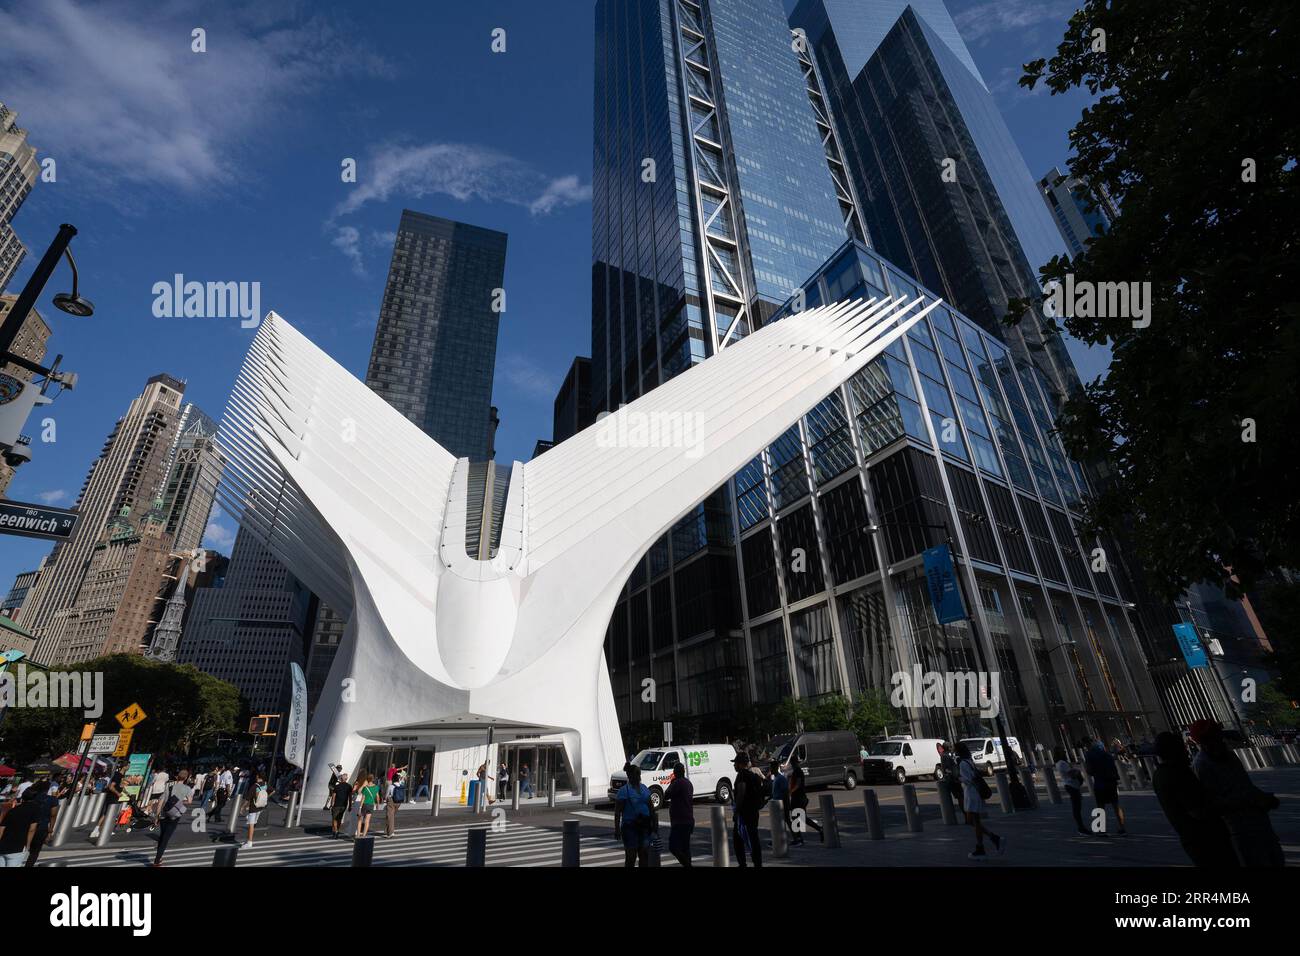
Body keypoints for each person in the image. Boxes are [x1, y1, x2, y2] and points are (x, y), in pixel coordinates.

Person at [1189, 720, 1284, 867]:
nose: (1220, 742)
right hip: (1238, 828)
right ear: (1203, 742)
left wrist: (1261, 797)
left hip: (1259, 821)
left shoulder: (1230, 757)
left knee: (1275, 859)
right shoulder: (1202, 765)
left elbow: (1245, 784)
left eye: (1219, 737)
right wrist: (1248, 800)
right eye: (1213, 738)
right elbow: (1211, 803)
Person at [1150, 731, 1237, 867]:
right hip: (1208, 838)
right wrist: (1231, 804)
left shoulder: (1159, 774)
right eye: (1183, 748)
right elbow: (1198, 811)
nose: (1186, 751)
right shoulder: (1178, 773)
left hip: (1191, 838)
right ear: (1177, 750)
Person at [956, 742, 1004, 859]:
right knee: (972, 820)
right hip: (974, 793)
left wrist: (959, 778)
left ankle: (982, 846)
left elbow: (968, 779)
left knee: (974, 821)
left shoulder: (963, 763)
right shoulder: (969, 761)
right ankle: (992, 838)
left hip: (971, 794)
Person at [613, 765, 655, 867]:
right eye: (636, 773)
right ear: (629, 775)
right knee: (631, 856)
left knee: (644, 855)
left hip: (644, 827)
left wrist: (654, 826)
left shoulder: (644, 788)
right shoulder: (624, 791)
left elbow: (651, 808)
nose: (638, 776)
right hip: (630, 828)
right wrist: (617, 829)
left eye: (639, 773)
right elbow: (617, 812)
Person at [1083, 737, 1126, 835]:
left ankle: (1101, 830)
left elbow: (1089, 771)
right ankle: (1122, 828)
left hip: (1100, 782)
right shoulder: (1106, 753)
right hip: (1111, 780)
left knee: (1100, 806)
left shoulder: (1089, 754)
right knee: (1116, 805)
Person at [731, 752, 767, 867]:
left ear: (741, 764)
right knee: (753, 839)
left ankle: (743, 864)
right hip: (753, 812)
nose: (734, 765)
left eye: (735, 763)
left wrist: (736, 812)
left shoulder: (742, 775)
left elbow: (741, 793)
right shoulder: (753, 775)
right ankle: (758, 863)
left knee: (738, 840)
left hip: (744, 814)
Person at [152, 770, 193, 867]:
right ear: (186, 778)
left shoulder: (169, 787)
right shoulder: (187, 788)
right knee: (166, 838)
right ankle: (157, 860)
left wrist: (157, 815)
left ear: (177, 777)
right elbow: (190, 801)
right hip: (175, 814)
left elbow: (161, 801)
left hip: (164, 813)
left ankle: (159, 857)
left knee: (162, 836)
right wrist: (179, 803)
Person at [0, 786, 42, 866]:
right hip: (18, 846)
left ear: (22, 798)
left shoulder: (13, 810)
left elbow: (2, 828)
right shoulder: (36, 809)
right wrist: (28, 845)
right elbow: (32, 829)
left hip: (3, 845)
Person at [19, 781, 58, 867]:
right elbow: (53, 815)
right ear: (48, 789)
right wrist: (50, 831)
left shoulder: (31, 797)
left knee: (20, 849)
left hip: (26, 826)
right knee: (35, 852)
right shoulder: (52, 800)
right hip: (42, 827)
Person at [786, 754, 822, 845]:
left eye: (792, 762)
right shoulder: (796, 771)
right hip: (799, 797)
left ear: (793, 762)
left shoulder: (797, 771)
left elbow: (798, 784)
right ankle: (819, 830)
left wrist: (790, 792)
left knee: (795, 818)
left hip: (798, 798)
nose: (792, 764)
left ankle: (798, 839)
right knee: (801, 818)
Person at [664, 761, 694, 867]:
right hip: (688, 819)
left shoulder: (677, 783)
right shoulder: (688, 783)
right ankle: (687, 863)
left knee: (673, 846)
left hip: (680, 820)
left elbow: (666, 795)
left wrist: (672, 782)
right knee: (685, 847)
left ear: (676, 772)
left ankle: (687, 864)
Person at [1054, 745, 1088, 835]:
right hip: (1071, 785)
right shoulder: (1062, 763)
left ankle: (1081, 826)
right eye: (1062, 751)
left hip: (1071, 785)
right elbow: (1072, 774)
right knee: (1076, 807)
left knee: (1077, 806)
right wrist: (1077, 771)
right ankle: (1081, 827)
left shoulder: (1060, 763)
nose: (1064, 752)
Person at [240, 772, 268, 850]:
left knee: (251, 825)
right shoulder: (265, 784)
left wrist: (242, 807)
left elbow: (248, 798)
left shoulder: (254, 786)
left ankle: (249, 842)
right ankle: (248, 840)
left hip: (253, 807)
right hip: (260, 807)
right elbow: (272, 791)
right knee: (252, 824)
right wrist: (265, 798)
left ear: (258, 776)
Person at [769, 760, 792, 842]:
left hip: (781, 804)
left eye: (771, 768)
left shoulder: (781, 778)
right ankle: (779, 840)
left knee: (786, 821)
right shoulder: (775, 778)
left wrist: (786, 805)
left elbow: (785, 792)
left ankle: (797, 837)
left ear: (776, 768)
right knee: (780, 823)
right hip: (776, 804)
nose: (770, 770)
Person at [355, 773, 379, 839]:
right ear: (373, 779)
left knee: (360, 820)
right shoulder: (376, 787)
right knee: (367, 821)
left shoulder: (365, 788)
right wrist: (377, 804)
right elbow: (377, 796)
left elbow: (363, 798)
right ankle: (364, 835)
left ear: (367, 779)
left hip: (365, 804)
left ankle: (358, 835)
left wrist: (360, 807)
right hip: (371, 805)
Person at [384, 767, 406, 837]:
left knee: (390, 817)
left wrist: (385, 800)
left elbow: (387, 794)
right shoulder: (401, 785)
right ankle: (388, 830)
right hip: (398, 802)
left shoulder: (391, 786)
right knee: (391, 816)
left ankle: (390, 833)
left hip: (391, 801)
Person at [331, 772, 353, 839]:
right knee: (339, 818)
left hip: (337, 804)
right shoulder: (349, 786)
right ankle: (337, 830)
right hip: (344, 805)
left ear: (341, 779)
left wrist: (332, 804)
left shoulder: (337, 786)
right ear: (346, 779)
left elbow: (333, 796)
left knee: (334, 819)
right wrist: (350, 806)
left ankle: (336, 831)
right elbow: (350, 797)